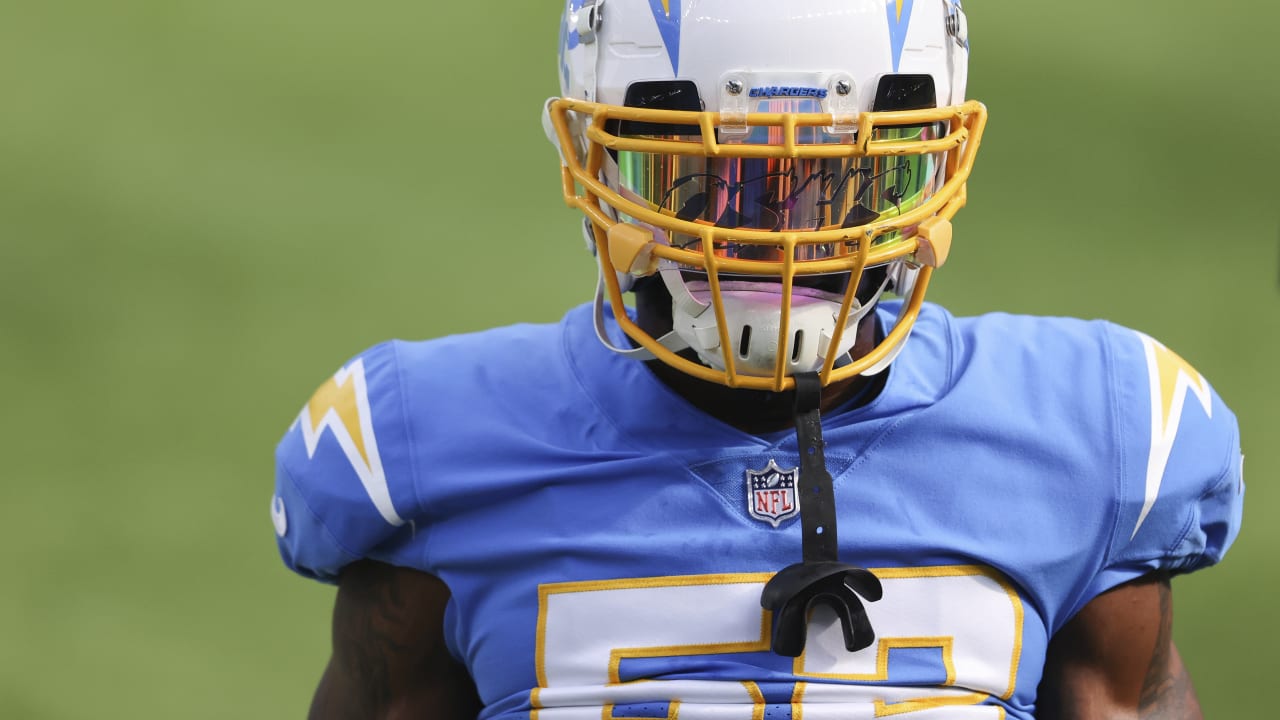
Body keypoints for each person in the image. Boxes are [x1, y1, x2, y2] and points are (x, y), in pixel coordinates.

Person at [271, 1, 1244, 718]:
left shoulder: (1091, 434)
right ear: (599, 163)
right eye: (708, 181)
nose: (777, 238)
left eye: (837, 180)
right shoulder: (430, 446)